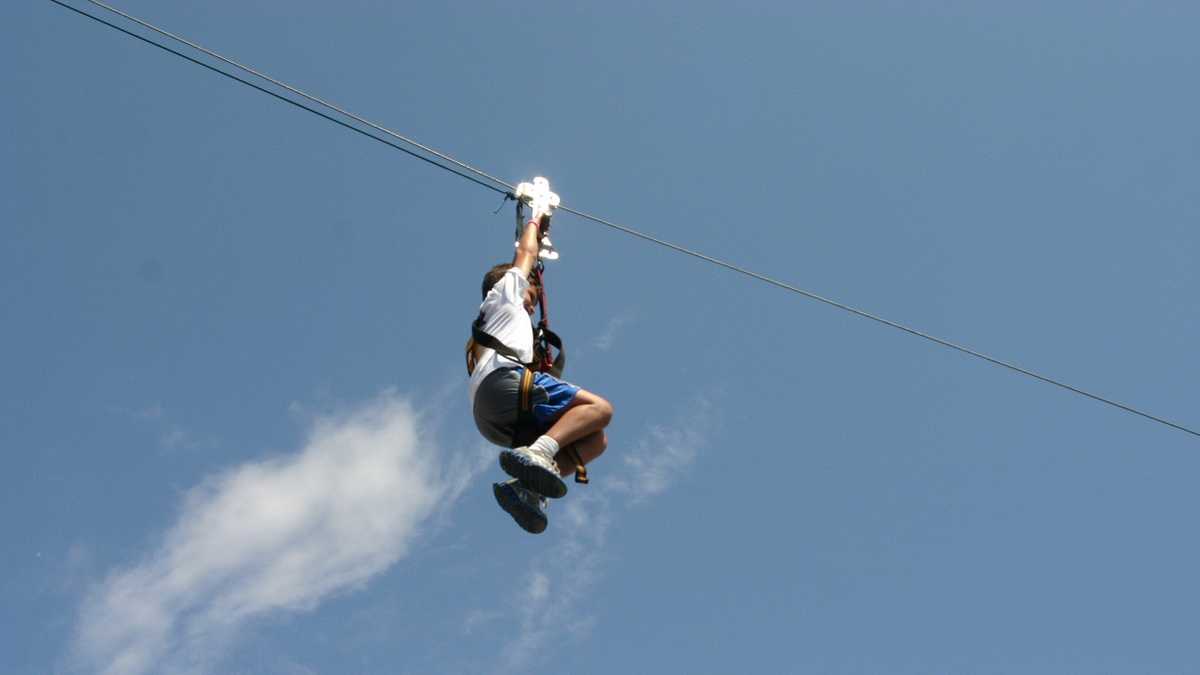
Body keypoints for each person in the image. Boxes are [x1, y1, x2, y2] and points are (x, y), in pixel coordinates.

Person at [468, 214, 614, 534]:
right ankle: (538, 453)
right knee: (600, 409)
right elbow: (525, 255)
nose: (531, 305)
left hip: (495, 420)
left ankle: (525, 487)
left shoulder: (501, 325)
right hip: (504, 388)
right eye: (530, 296)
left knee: (595, 440)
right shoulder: (505, 291)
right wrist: (534, 221)